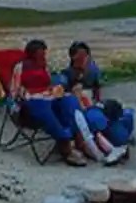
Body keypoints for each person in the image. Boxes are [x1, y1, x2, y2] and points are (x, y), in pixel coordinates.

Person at [8, 39, 89, 167]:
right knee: (41, 105)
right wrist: (21, 98)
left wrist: (54, 90)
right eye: (41, 54)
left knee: (69, 100)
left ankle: (75, 136)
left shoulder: (44, 67)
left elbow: (48, 85)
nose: (44, 57)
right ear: (33, 54)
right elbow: (14, 91)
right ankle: (65, 144)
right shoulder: (21, 67)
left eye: (44, 54)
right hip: (28, 108)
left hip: (47, 99)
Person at [61, 41, 129, 165]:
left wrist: (97, 102)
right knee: (93, 119)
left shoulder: (93, 72)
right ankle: (108, 148)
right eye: (79, 57)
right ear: (72, 57)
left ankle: (114, 143)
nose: (83, 60)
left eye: (85, 56)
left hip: (94, 106)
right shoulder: (66, 75)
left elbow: (98, 92)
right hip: (81, 110)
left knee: (121, 126)